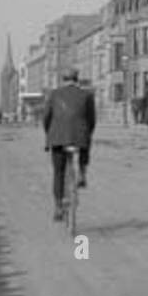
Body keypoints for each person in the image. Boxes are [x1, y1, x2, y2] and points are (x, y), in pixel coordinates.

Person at [43, 67, 96, 220]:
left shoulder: (54, 94)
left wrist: (49, 133)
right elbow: (91, 120)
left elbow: (46, 117)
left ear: (63, 80)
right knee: (85, 138)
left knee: (58, 172)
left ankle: (58, 206)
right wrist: (87, 133)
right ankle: (82, 171)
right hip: (79, 137)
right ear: (77, 79)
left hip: (58, 137)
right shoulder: (86, 95)